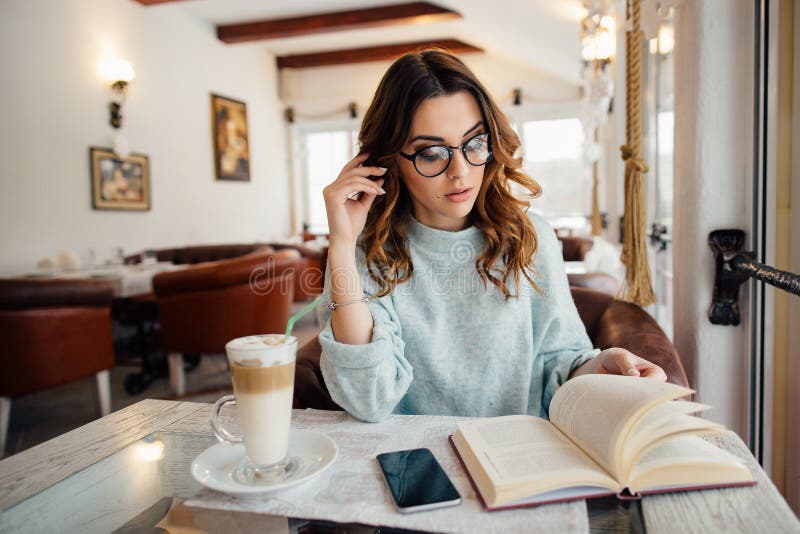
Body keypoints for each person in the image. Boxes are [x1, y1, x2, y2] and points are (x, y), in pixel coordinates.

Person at [318, 49, 666, 423]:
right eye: (431, 153)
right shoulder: (368, 250)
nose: (460, 170)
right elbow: (368, 398)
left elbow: (559, 362)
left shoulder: (531, 236)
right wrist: (342, 246)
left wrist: (601, 367)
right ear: (389, 161)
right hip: (414, 456)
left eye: (474, 143)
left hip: (516, 452)